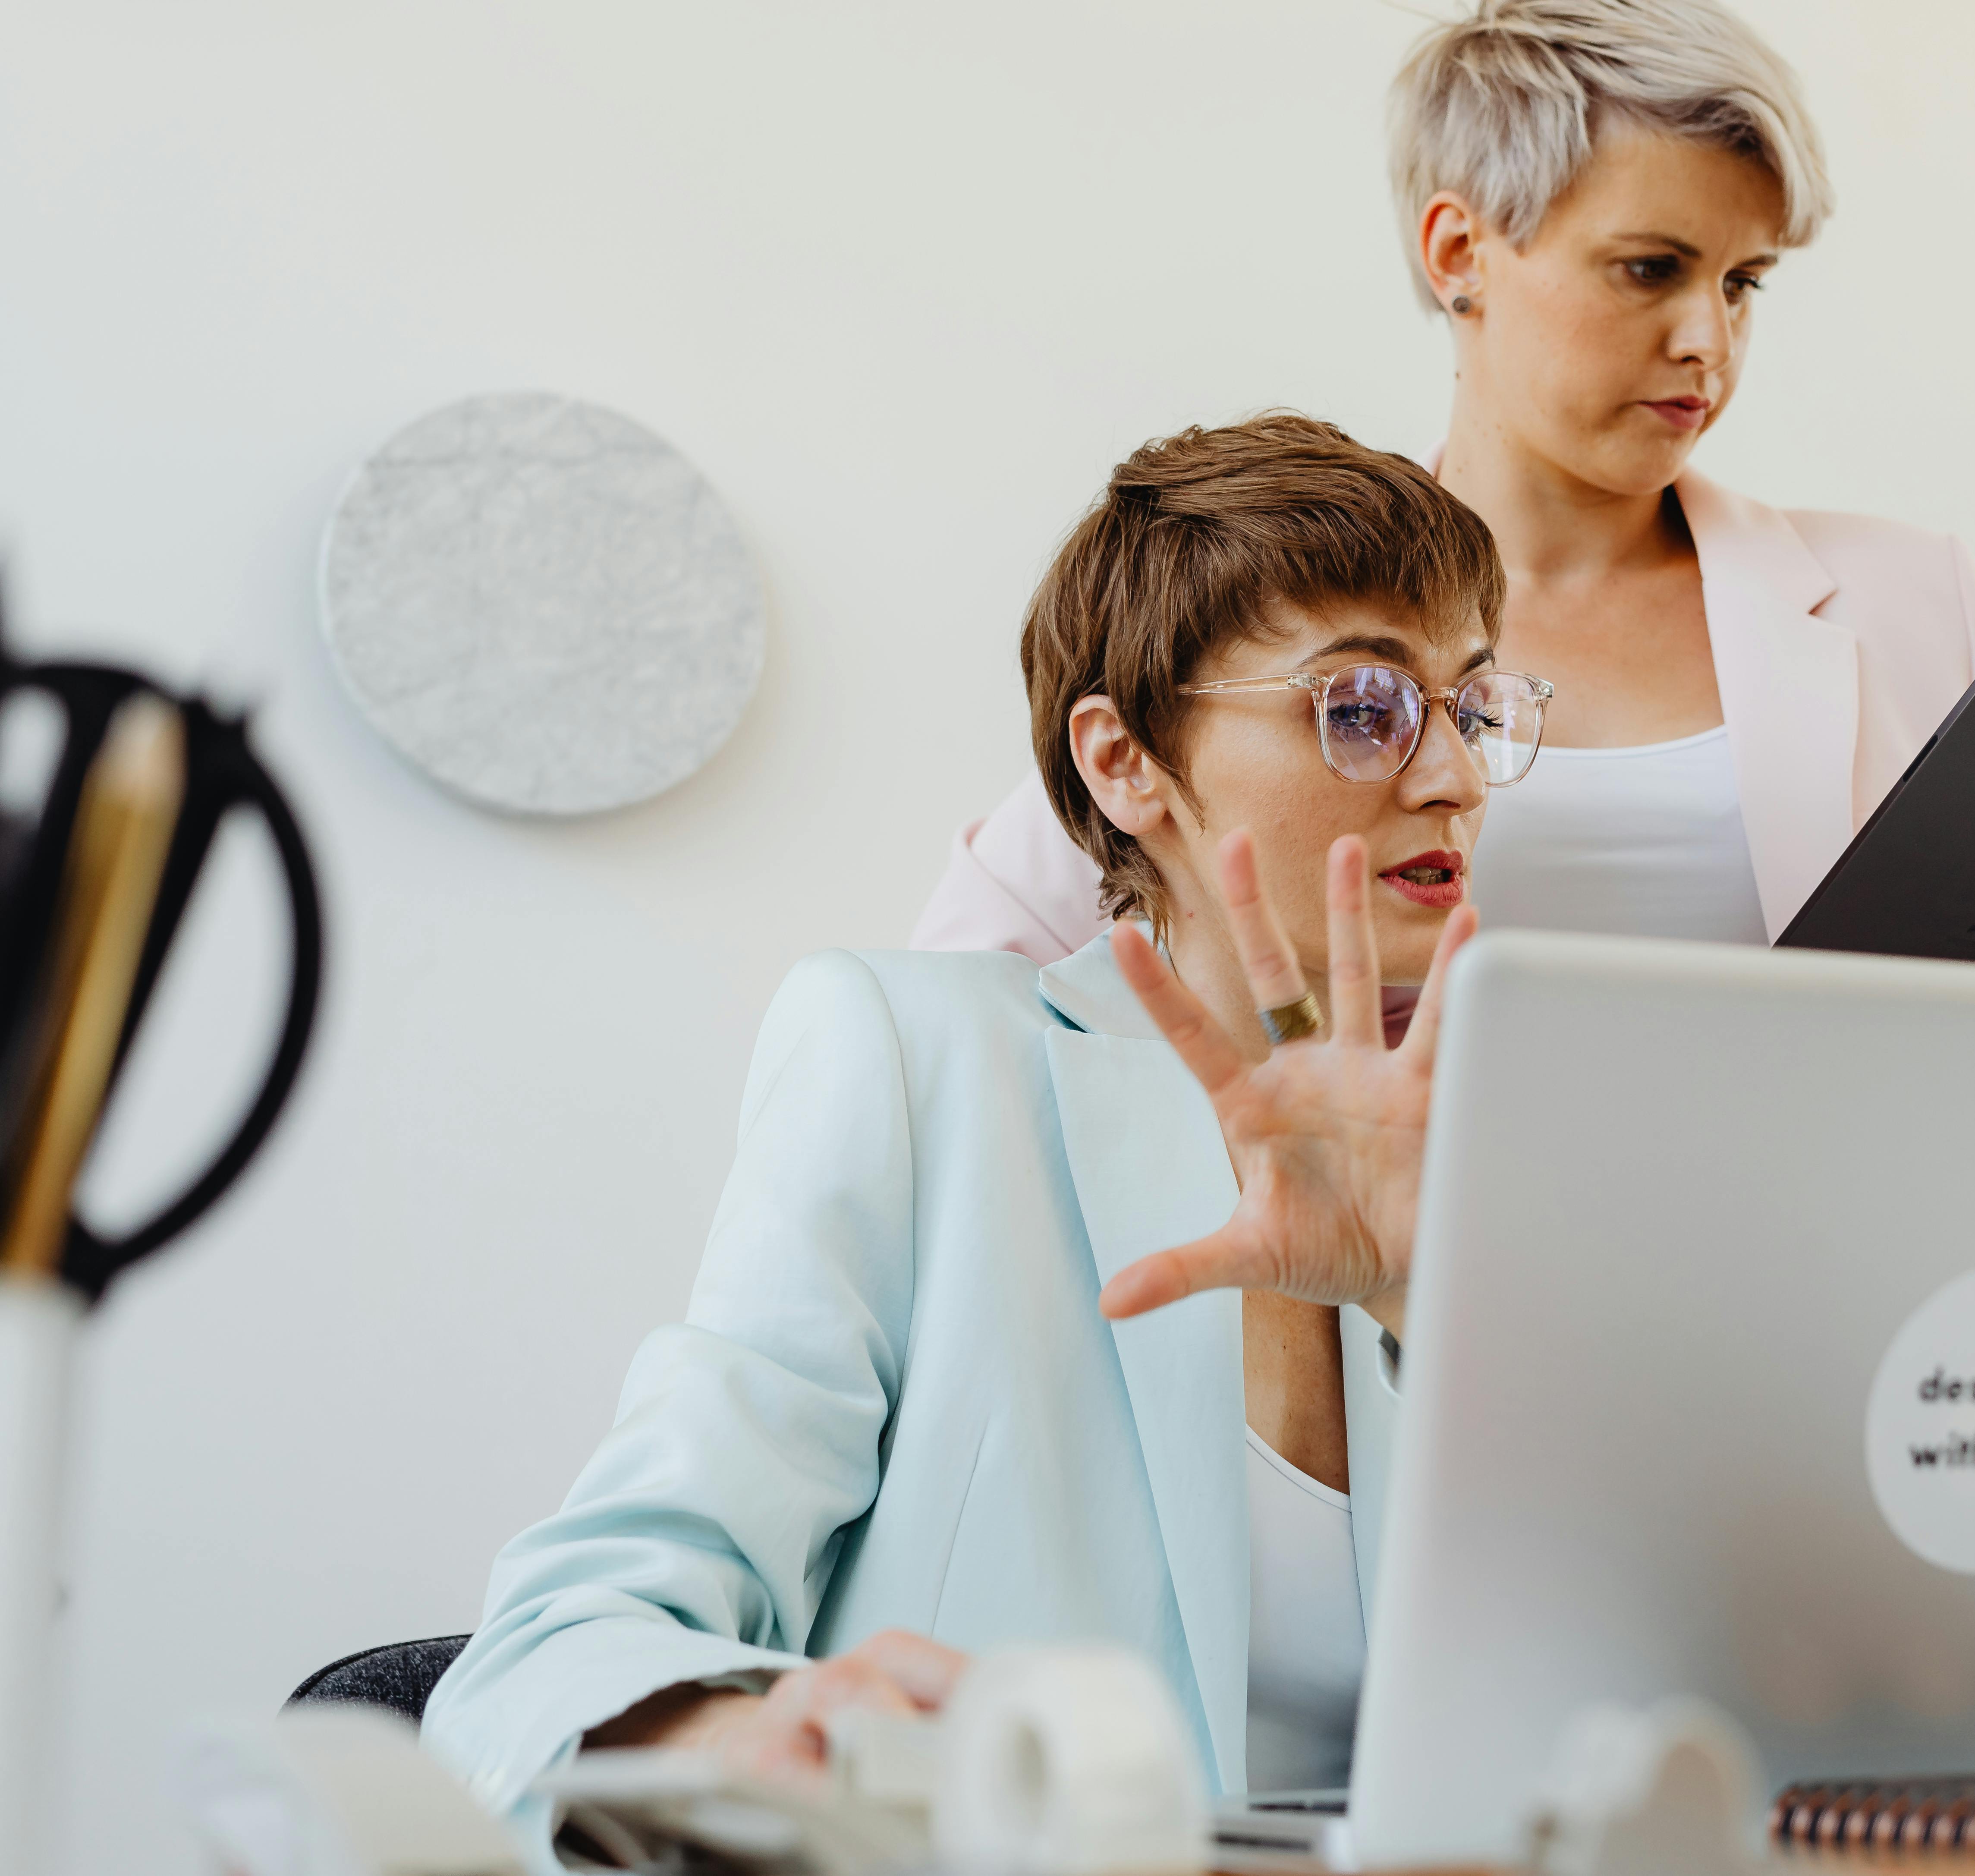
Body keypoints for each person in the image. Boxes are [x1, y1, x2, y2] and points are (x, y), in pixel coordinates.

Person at [421, 415, 1538, 1863]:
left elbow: (1657, 1679)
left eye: (1475, 705)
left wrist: (1409, 1299)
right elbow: (558, 1639)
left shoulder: (1513, 1147)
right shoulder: (915, 1056)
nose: (1450, 773)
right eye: (1366, 705)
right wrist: (744, 1736)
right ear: (1127, 761)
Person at [912, 0, 1975, 981]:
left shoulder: (1901, 596)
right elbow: (965, 977)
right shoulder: (1268, 607)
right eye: (1649, 268)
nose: (1708, 340)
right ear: (1460, 246)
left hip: (1801, 1324)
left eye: (1742, 284)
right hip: (1393, 1329)